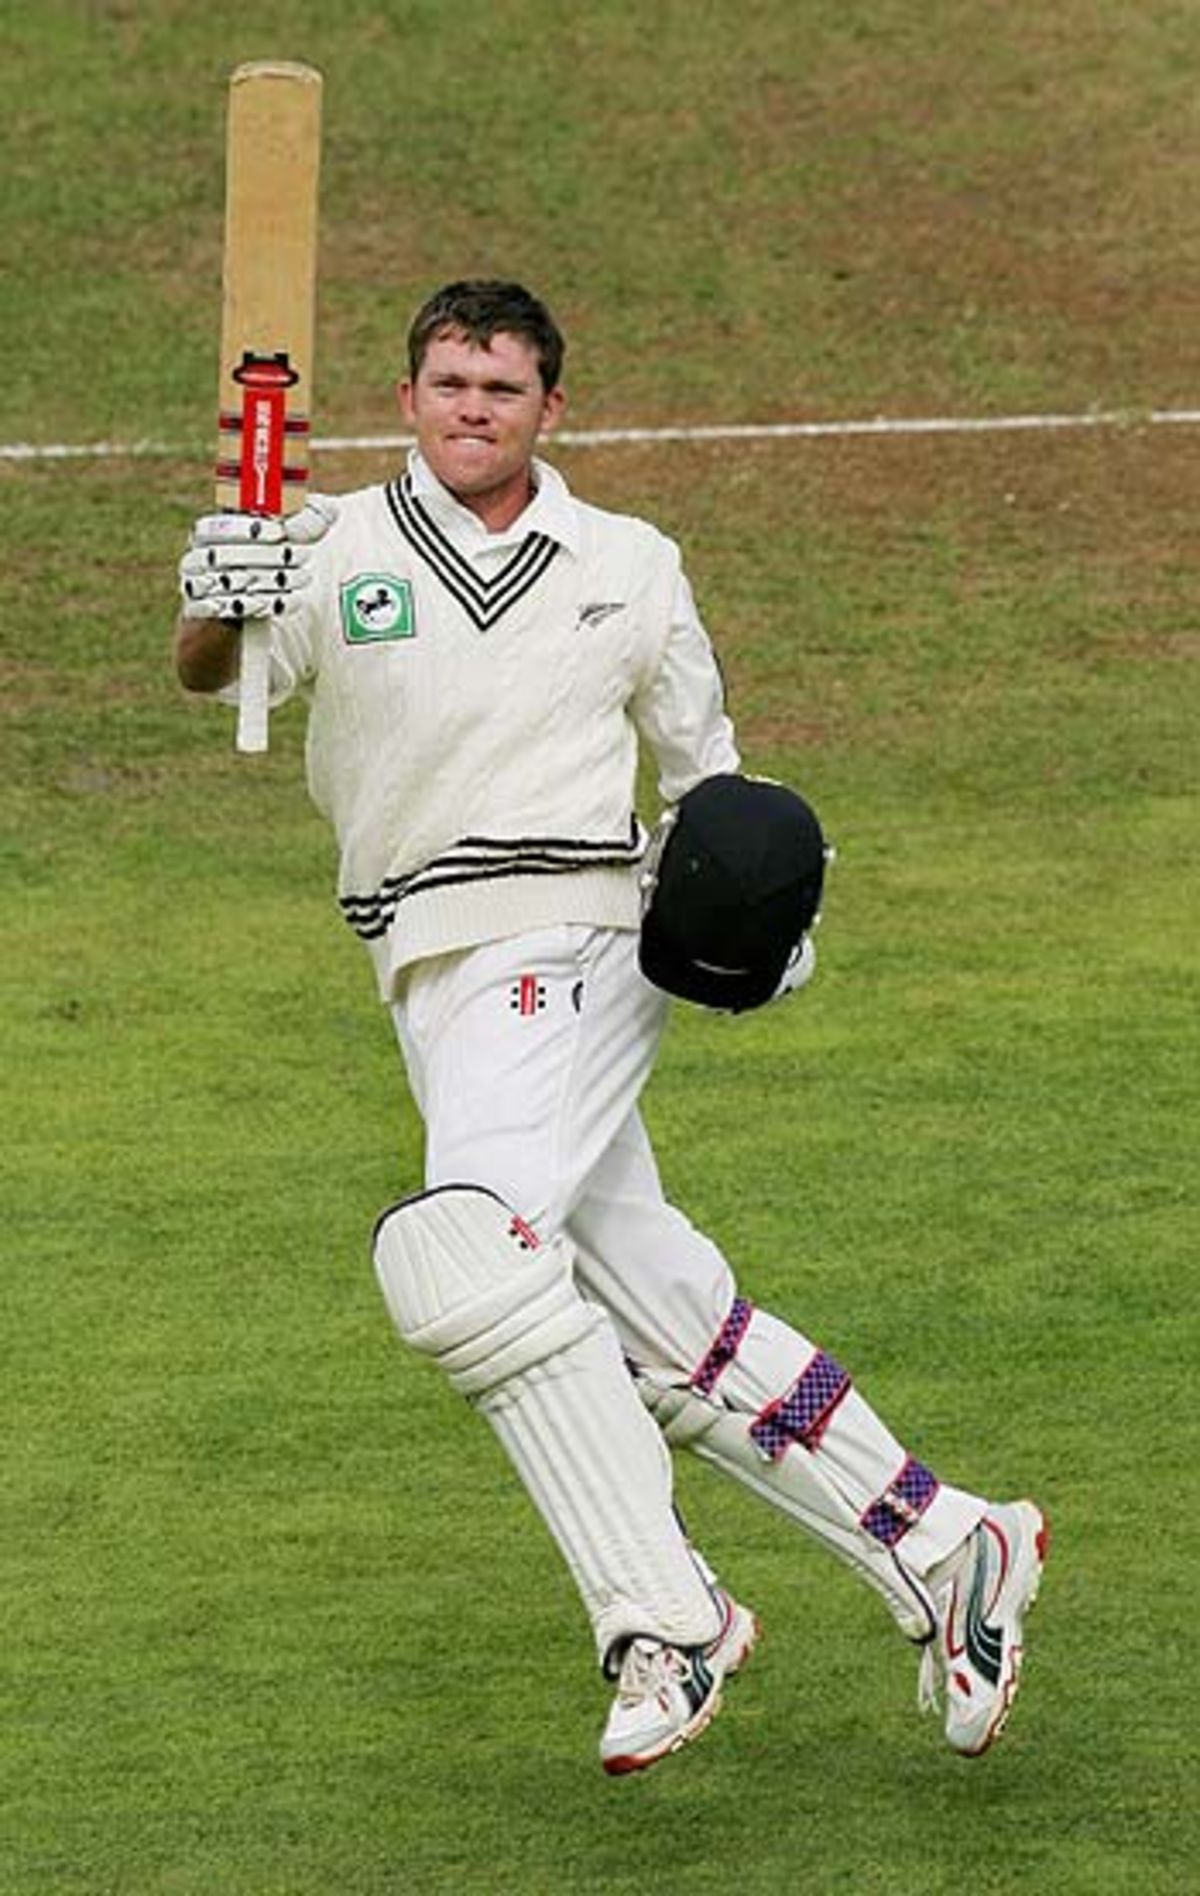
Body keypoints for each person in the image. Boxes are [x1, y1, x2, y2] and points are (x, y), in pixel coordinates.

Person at [175, 278, 1047, 1775]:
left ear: (549, 408)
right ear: (411, 395)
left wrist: (764, 937)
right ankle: (949, 1540)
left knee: (466, 1259)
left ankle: (666, 1615)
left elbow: (714, 785)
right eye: (449, 384)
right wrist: (221, 590)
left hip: (575, 939)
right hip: (427, 966)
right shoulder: (336, 547)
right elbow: (212, 674)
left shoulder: (631, 566)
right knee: (659, 1318)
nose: (471, 410)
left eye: (500, 390)